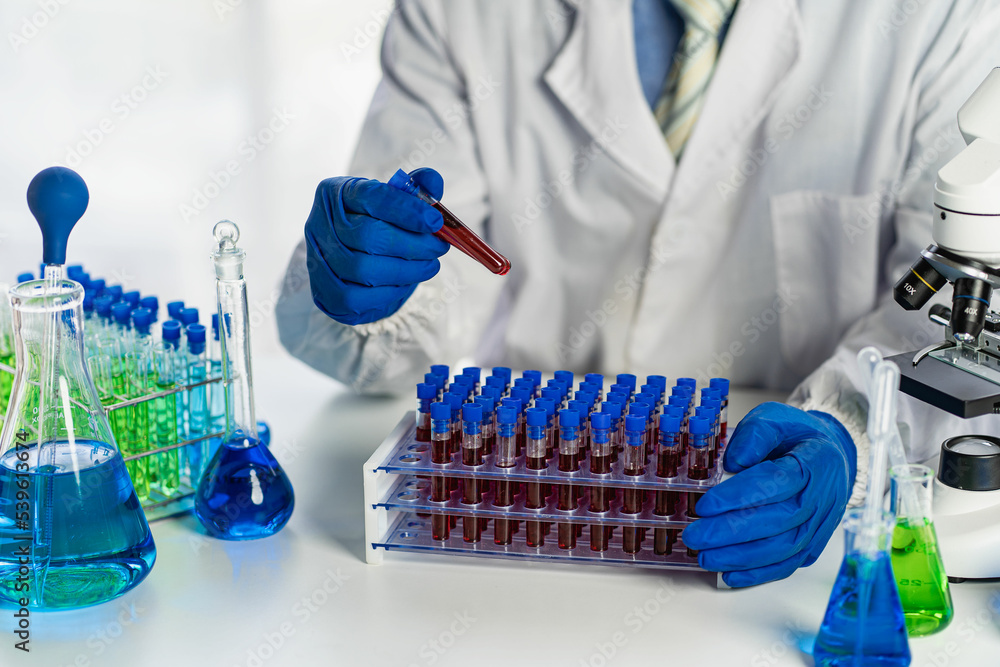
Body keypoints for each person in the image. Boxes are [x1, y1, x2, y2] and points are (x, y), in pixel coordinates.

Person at [276, 0, 1000, 586]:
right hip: (527, 497)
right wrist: (358, 281)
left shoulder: (938, 16)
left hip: (770, 519)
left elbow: (962, 310)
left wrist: (853, 432)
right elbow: (398, 267)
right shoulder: (461, 13)